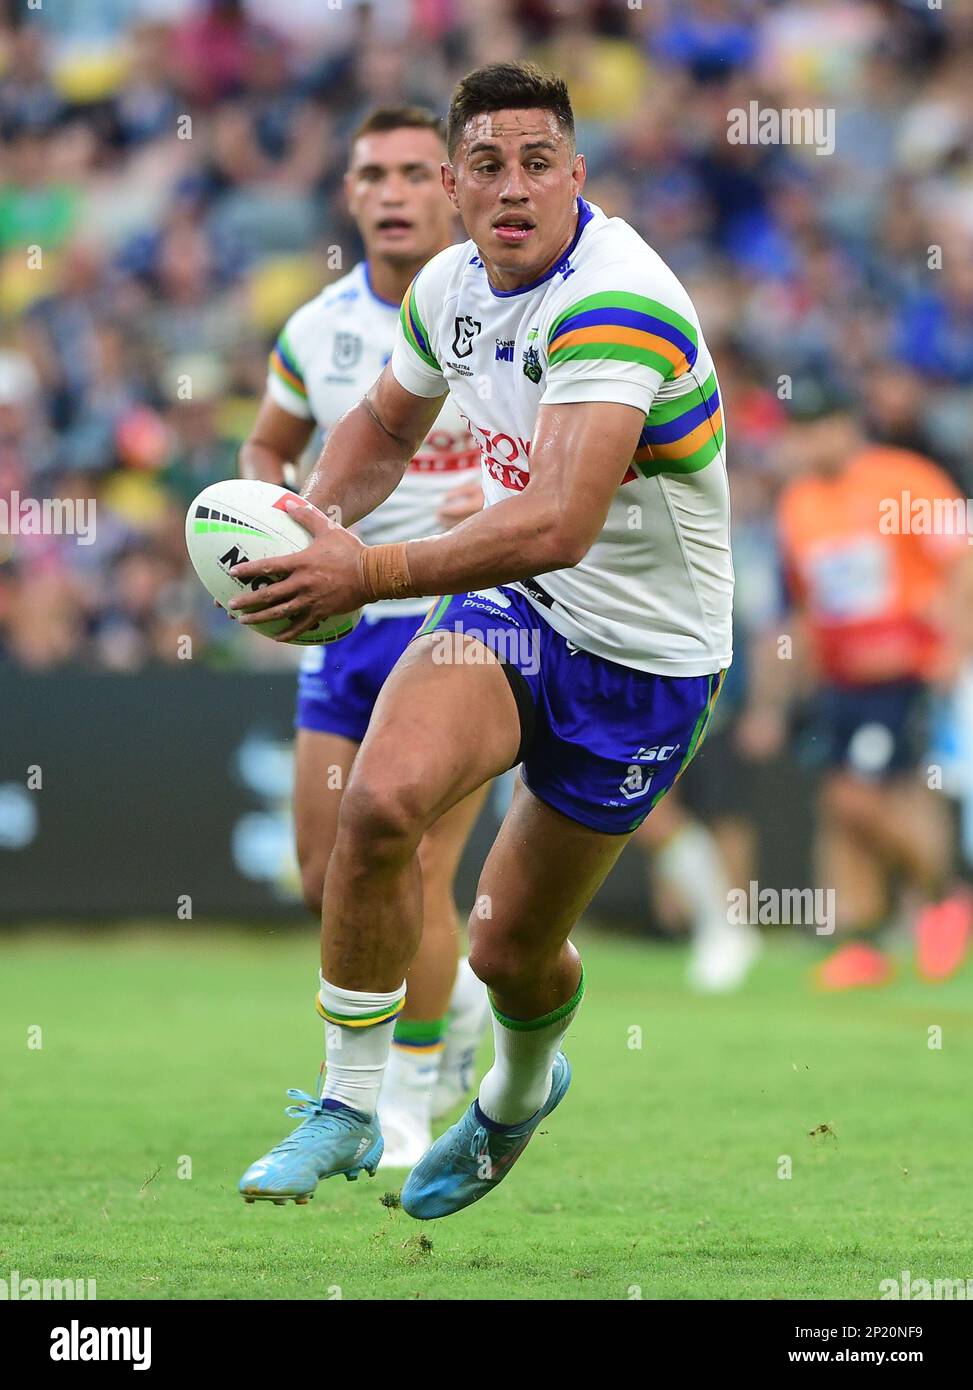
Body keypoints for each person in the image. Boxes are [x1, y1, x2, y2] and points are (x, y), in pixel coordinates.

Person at [233, 61, 732, 1218]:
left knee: (510, 952)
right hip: (523, 615)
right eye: (490, 166)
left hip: (648, 661)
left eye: (539, 163)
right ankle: (350, 1105)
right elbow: (381, 427)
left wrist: (365, 570)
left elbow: (558, 521)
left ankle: (512, 1096)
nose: (514, 188)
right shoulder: (447, 288)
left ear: (577, 174)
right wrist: (312, 525)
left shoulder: (620, 299)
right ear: (459, 184)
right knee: (380, 805)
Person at [238, 106, 488, 1168]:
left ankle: (406, 1097)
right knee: (322, 876)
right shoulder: (314, 329)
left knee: (417, 870)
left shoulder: (508, 310)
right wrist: (258, 516)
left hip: (463, 618)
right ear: (349, 195)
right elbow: (266, 444)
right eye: (369, 174)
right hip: (339, 624)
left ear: (450, 186)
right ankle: (468, 991)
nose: (390, 192)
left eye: (410, 172)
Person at [751, 383, 972, 989]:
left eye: (819, 427)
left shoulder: (906, 478)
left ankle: (946, 897)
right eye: (798, 431)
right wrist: (773, 700)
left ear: (848, 425)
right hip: (841, 680)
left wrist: (956, 646)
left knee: (863, 797)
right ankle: (866, 940)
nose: (808, 443)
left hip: (905, 669)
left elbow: (961, 562)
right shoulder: (798, 505)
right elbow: (797, 608)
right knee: (845, 807)